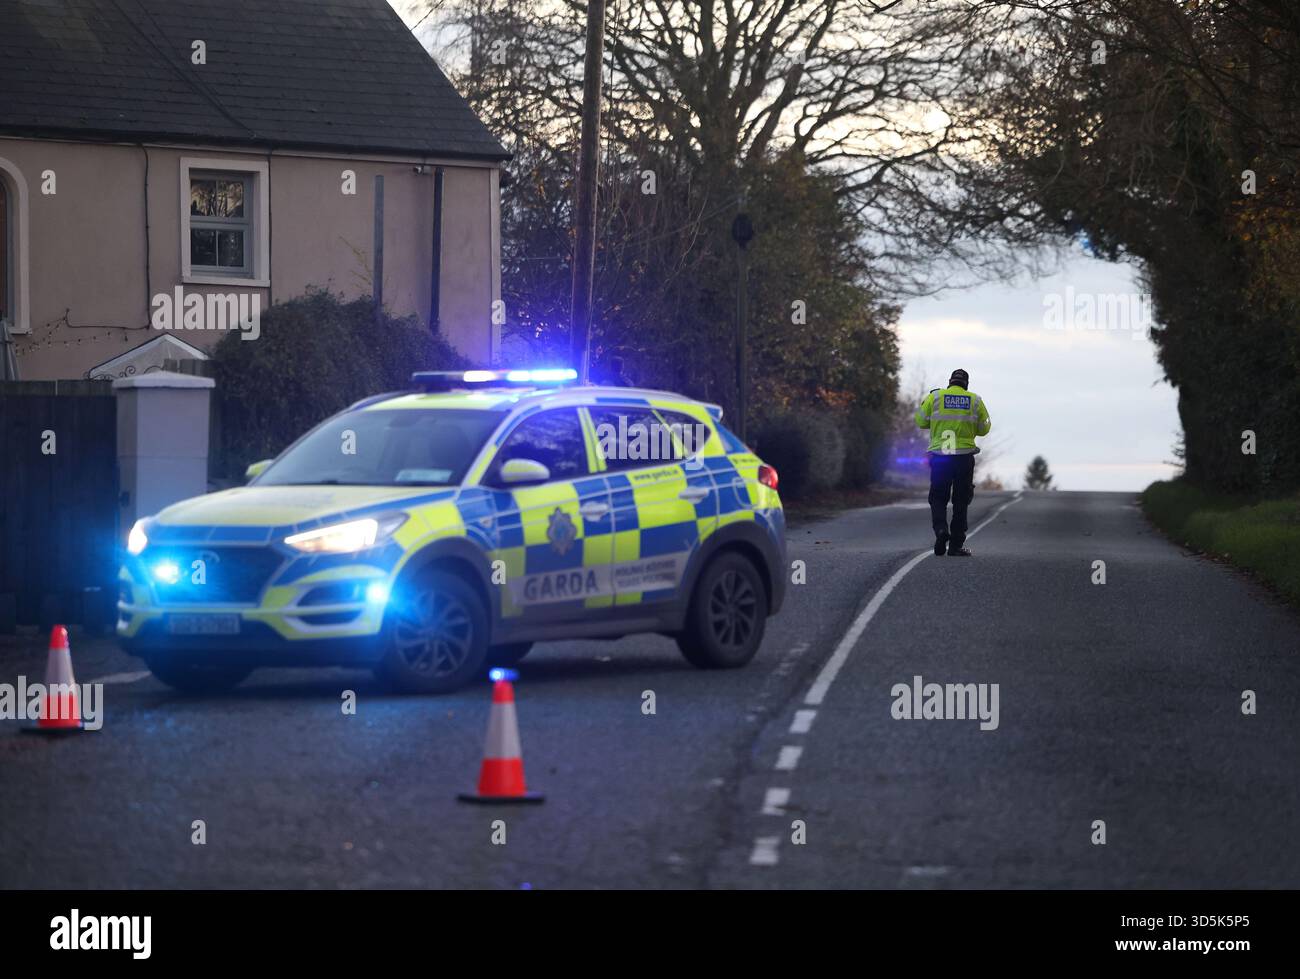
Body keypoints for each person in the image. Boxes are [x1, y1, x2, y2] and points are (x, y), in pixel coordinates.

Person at [915, 369, 992, 557]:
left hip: (941, 457)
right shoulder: (975, 400)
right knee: (961, 500)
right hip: (964, 458)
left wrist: (927, 402)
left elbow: (921, 422)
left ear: (950, 382)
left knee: (938, 497)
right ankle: (956, 545)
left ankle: (941, 530)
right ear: (966, 384)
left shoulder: (935, 397)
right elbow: (984, 428)